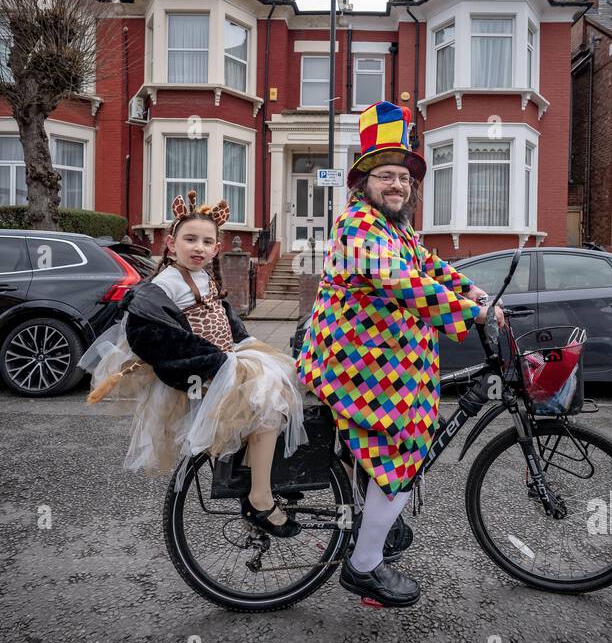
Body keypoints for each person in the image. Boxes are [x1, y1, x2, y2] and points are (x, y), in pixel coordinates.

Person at [296, 101, 505, 605]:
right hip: (360, 368)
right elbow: (402, 281)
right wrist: (471, 315)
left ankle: (375, 529)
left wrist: (475, 293)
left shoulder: (396, 228)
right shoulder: (358, 227)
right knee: (404, 454)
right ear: (363, 182)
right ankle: (364, 565)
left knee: (396, 450)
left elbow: (428, 264)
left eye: (403, 178)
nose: (397, 185)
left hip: (388, 366)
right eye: (386, 176)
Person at [81, 191, 308, 536]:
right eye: (190, 239)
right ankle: (260, 497)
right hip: (204, 370)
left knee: (286, 387)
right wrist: (213, 361)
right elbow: (151, 332)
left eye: (206, 241)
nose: (198, 247)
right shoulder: (165, 282)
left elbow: (225, 320)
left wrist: (243, 342)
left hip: (225, 359)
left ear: (217, 248)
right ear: (171, 244)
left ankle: (267, 473)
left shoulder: (206, 278)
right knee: (268, 403)